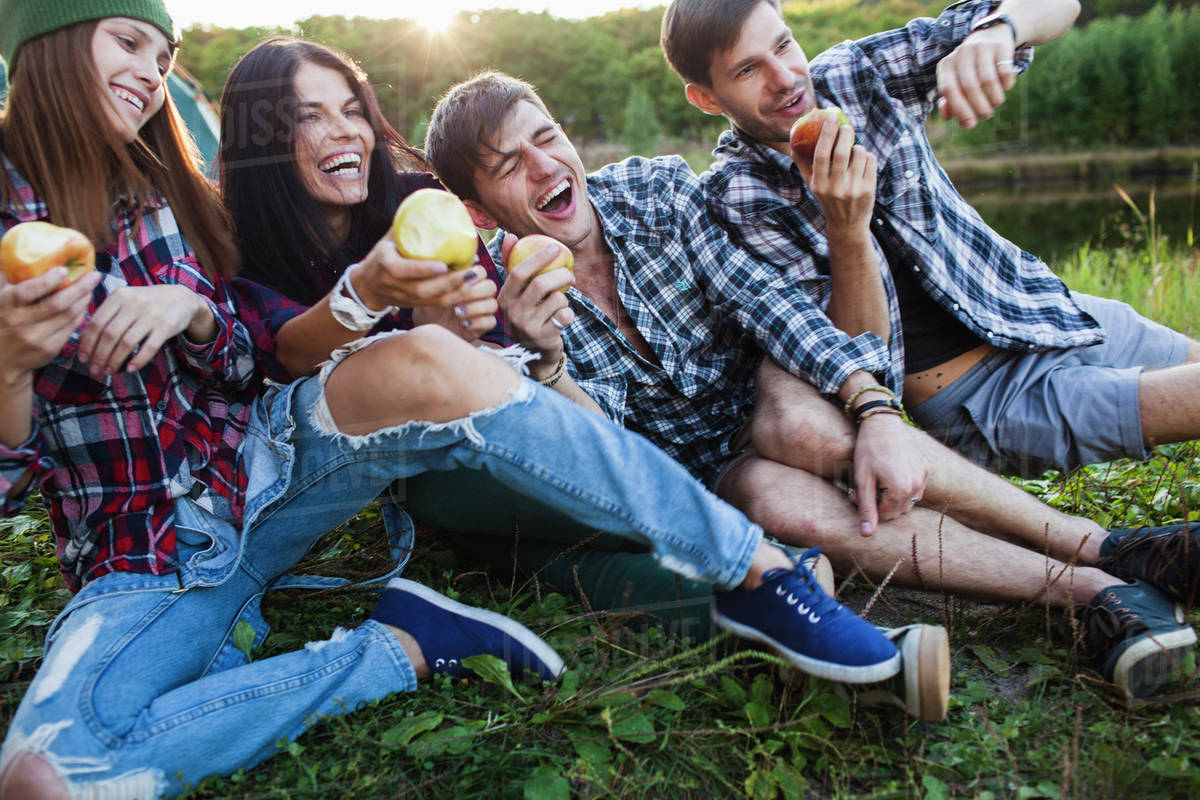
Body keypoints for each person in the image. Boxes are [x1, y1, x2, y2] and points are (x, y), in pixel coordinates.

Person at [0, 4, 903, 795]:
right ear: (45, 38)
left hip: (267, 474)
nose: (153, 76)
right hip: (139, 551)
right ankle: (400, 644)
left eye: (162, 56)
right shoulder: (161, 210)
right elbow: (22, 471)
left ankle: (755, 570)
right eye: (130, 44)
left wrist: (198, 312)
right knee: (44, 775)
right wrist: (7, 368)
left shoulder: (166, 197)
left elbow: (242, 363)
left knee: (427, 358)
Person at [422, 68, 1200, 700]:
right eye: (509, 166)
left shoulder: (655, 191)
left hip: (767, 392)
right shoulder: (498, 314)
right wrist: (548, 361)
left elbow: (768, 303)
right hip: (702, 472)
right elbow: (614, 465)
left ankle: (1112, 548)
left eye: (547, 138)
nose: (546, 167)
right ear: (479, 209)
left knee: (807, 432)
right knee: (774, 498)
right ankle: (1090, 594)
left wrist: (875, 407)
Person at [663, 0, 1200, 482]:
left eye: (783, 45)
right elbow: (855, 359)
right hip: (981, 400)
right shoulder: (737, 201)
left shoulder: (855, 76)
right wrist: (845, 228)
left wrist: (1000, 31)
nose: (785, 78)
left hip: (1041, 311)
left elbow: (1057, 5)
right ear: (707, 97)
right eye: (748, 69)